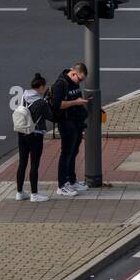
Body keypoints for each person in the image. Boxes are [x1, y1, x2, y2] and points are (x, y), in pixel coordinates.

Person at [49, 62, 90, 196]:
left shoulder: (74, 82)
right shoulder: (61, 84)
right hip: (66, 122)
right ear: (73, 73)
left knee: (73, 152)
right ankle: (62, 185)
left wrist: (81, 102)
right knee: (66, 153)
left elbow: (73, 97)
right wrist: (76, 102)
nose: (80, 82)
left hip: (76, 122)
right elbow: (57, 104)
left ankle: (72, 180)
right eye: (80, 79)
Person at [14, 73, 53, 202]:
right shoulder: (41, 102)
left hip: (21, 133)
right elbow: (50, 116)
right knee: (34, 164)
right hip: (35, 135)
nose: (46, 88)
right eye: (45, 86)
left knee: (22, 163)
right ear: (41, 87)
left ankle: (19, 192)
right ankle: (34, 194)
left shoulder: (24, 96)